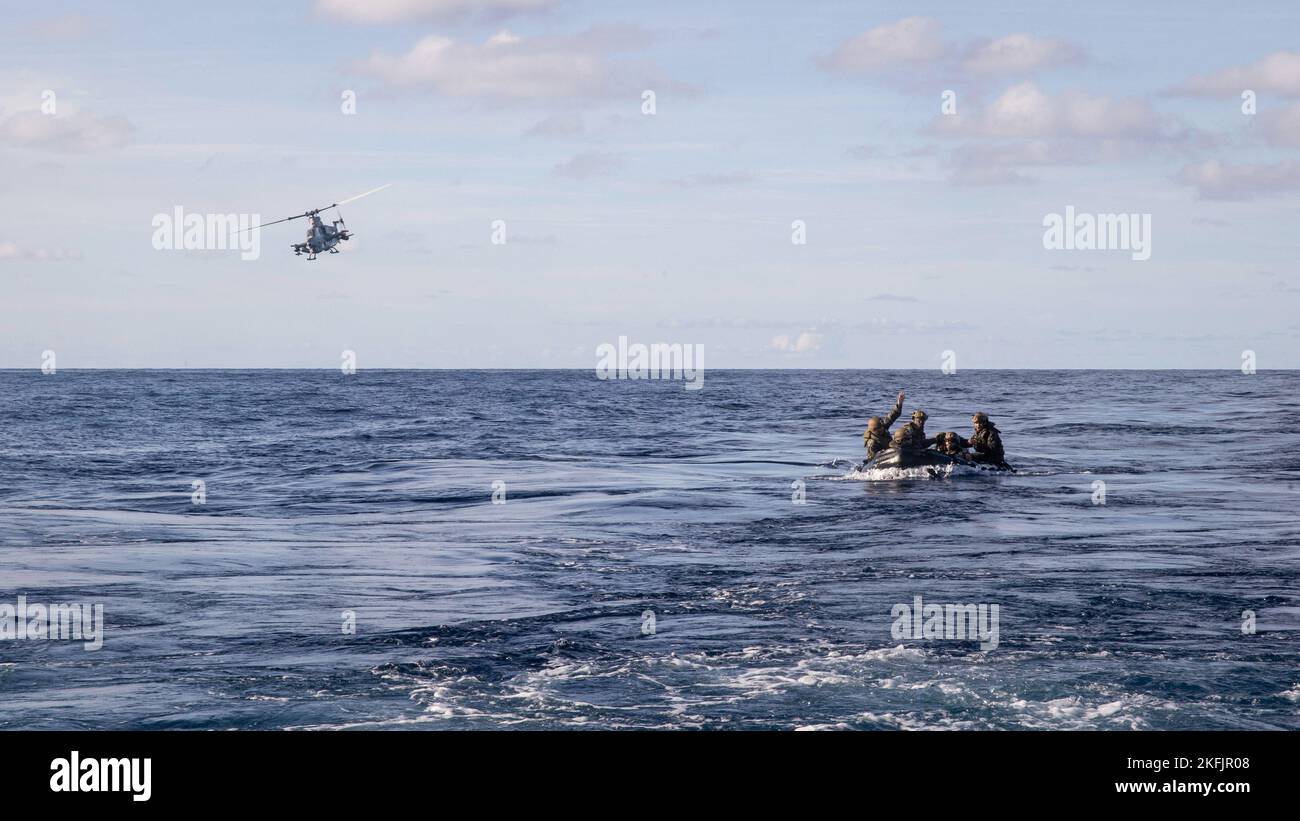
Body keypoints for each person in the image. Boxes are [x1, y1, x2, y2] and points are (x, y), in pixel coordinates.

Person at [863, 391, 905, 460]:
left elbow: (892, 416)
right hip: (881, 457)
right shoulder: (872, 442)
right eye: (880, 429)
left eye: (882, 427)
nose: (882, 429)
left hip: (892, 451)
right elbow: (872, 460)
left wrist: (899, 403)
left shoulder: (882, 426)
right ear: (874, 431)